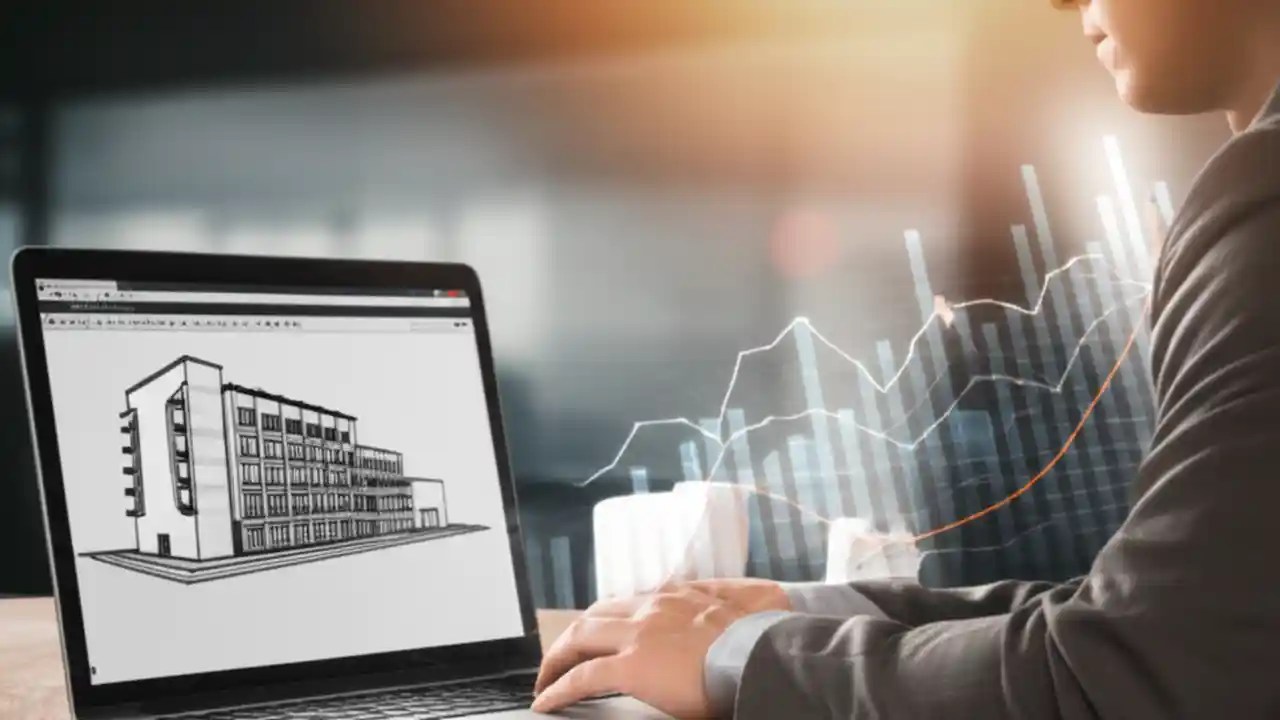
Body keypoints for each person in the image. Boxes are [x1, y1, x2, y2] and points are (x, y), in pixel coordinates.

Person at [531, 0, 1280, 717]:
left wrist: (747, 661)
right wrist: (807, 613)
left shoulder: (1263, 196)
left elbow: (1132, 676)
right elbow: (1175, 622)